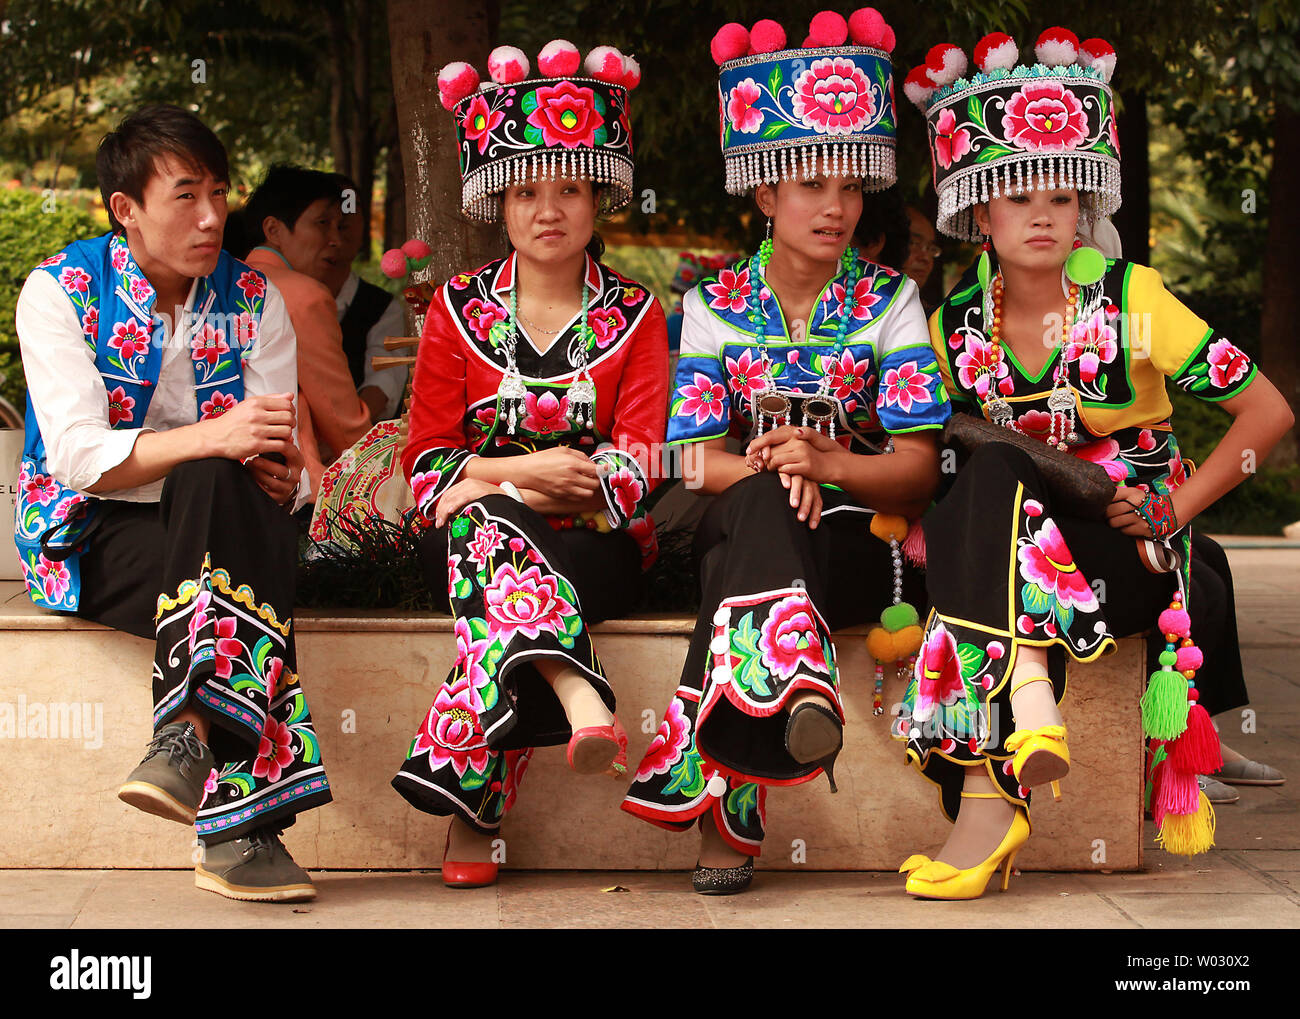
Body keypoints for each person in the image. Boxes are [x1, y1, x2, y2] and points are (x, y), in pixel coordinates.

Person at [895, 28, 1293, 898]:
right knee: (988, 472)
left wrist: (1176, 508)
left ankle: (991, 793)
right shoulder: (949, 327)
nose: (1042, 213)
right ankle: (1020, 718)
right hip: (1017, 566)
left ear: (1085, 208)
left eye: (1062, 194)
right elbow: (923, 462)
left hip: (1125, 554)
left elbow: (1269, 412)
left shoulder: (1133, 299)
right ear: (977, 210)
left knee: (991, 476)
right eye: (1013, 193)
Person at [622, 11, 950, 894]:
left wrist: (830, 465)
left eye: (849, 186)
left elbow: (919, 469)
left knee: (745, 543)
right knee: (757, 507)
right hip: (756, 521)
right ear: (765, 195)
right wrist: (781, 466)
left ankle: (727, 806)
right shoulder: (711, 304)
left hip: (862, 547)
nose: (837, 207)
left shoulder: (891, 301)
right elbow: (689, 460)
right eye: (810, 185)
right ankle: (794, 687)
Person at [14, 104, 331, 902]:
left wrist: (280, 472)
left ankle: (183, 737)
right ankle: (241, 833)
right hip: (91, 534)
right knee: (238, 560)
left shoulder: (253, 299)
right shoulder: (61, 292)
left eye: (220, 194)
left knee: (222, 485)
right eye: (185, 196)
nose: (211, 218)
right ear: (126, 210)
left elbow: (282, 461)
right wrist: (216, 437)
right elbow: (81, 458)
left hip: (222, 520)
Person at [390, 40, 667, 887]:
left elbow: (641, 464)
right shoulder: (454, 308)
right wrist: (529, 475)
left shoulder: (639, 313)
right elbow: (425, 463)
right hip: (482, 534)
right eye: (526, 190)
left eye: (570, 189)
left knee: (486, 529)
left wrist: (498, 478)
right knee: (484, 523)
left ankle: (475, 805)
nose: (549, 209)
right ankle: (578, 694)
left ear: (599, 197)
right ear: (497, 203)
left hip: (595, 546)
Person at [241, 165, 372, 497]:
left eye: (340, 225)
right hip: (288, 484)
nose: (336, 240)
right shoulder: (302, 294)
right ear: (274, 229)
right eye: (322, 223)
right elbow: (342, 421)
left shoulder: (228, 282)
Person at [321, 174, 409, 421]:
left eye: (350, 210)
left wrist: (341, 439)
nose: (339, 225)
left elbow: (385, 380)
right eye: (323, 219)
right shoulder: (272, 298)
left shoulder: (380, 307)